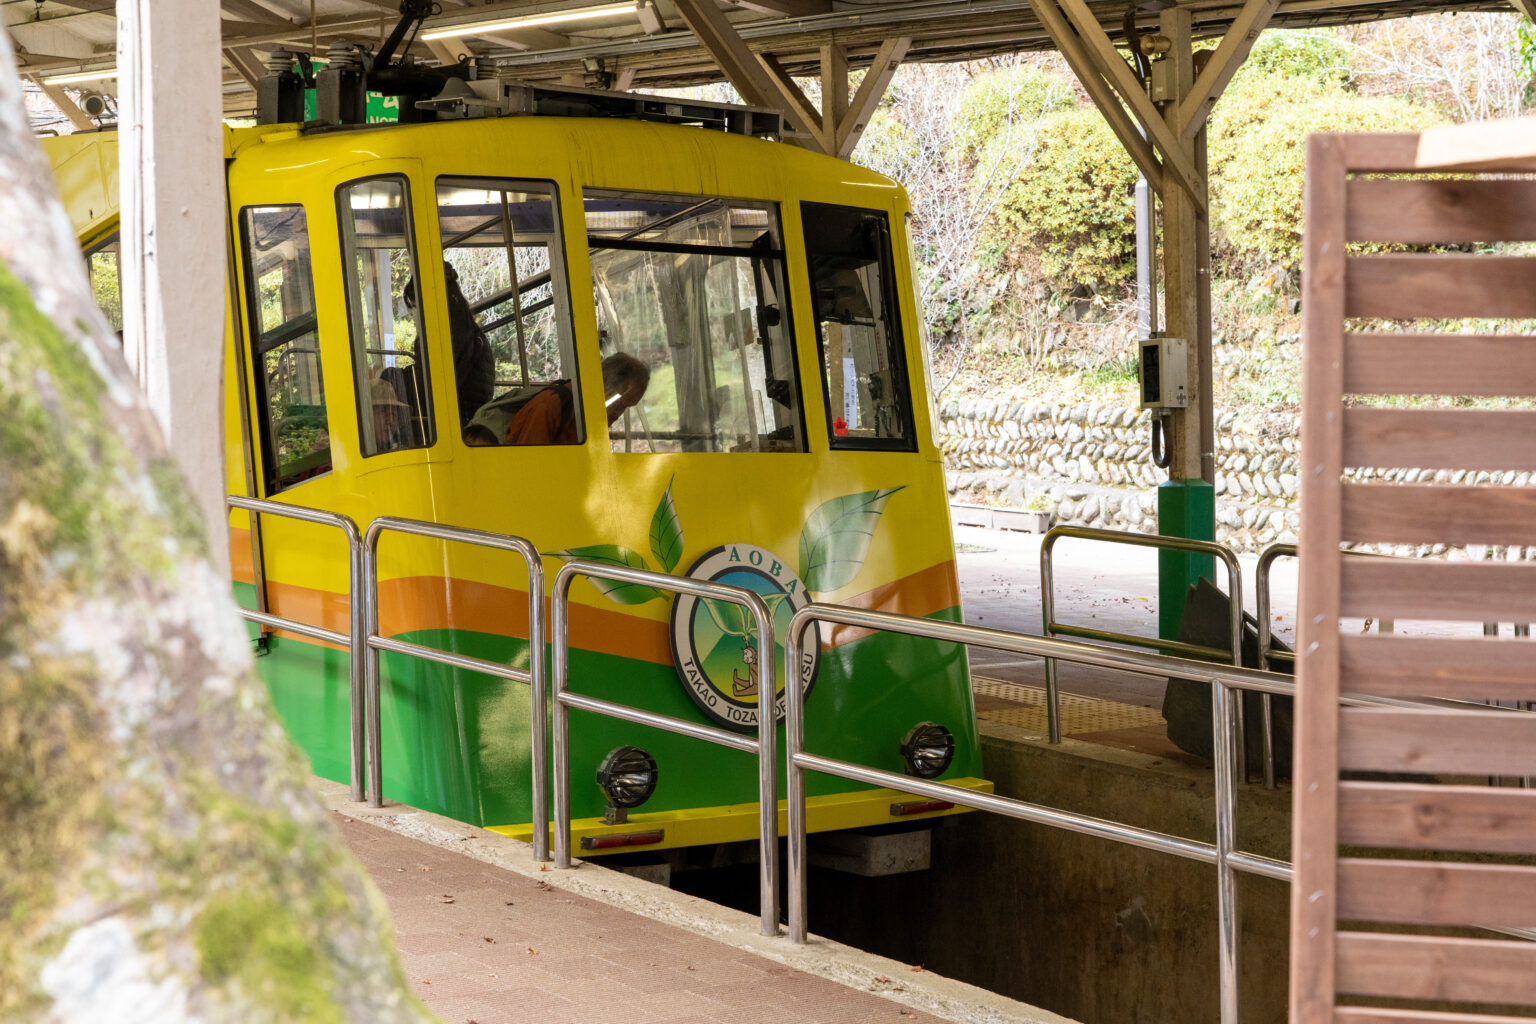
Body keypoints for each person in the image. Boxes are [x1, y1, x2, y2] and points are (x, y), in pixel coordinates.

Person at [467, 353, 649, 447]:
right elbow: (532, 469)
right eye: (619, 402)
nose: (618, 413)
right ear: (601, 382)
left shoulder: (588, 419)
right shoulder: (551, 406)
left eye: (626, 407)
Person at [402, 261, 494, 429]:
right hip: (469, 421)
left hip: (458, 425)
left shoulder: (451, 336)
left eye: (417, 306)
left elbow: (433, 382)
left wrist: (392, 379)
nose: (415, 315)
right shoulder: (467, 332)